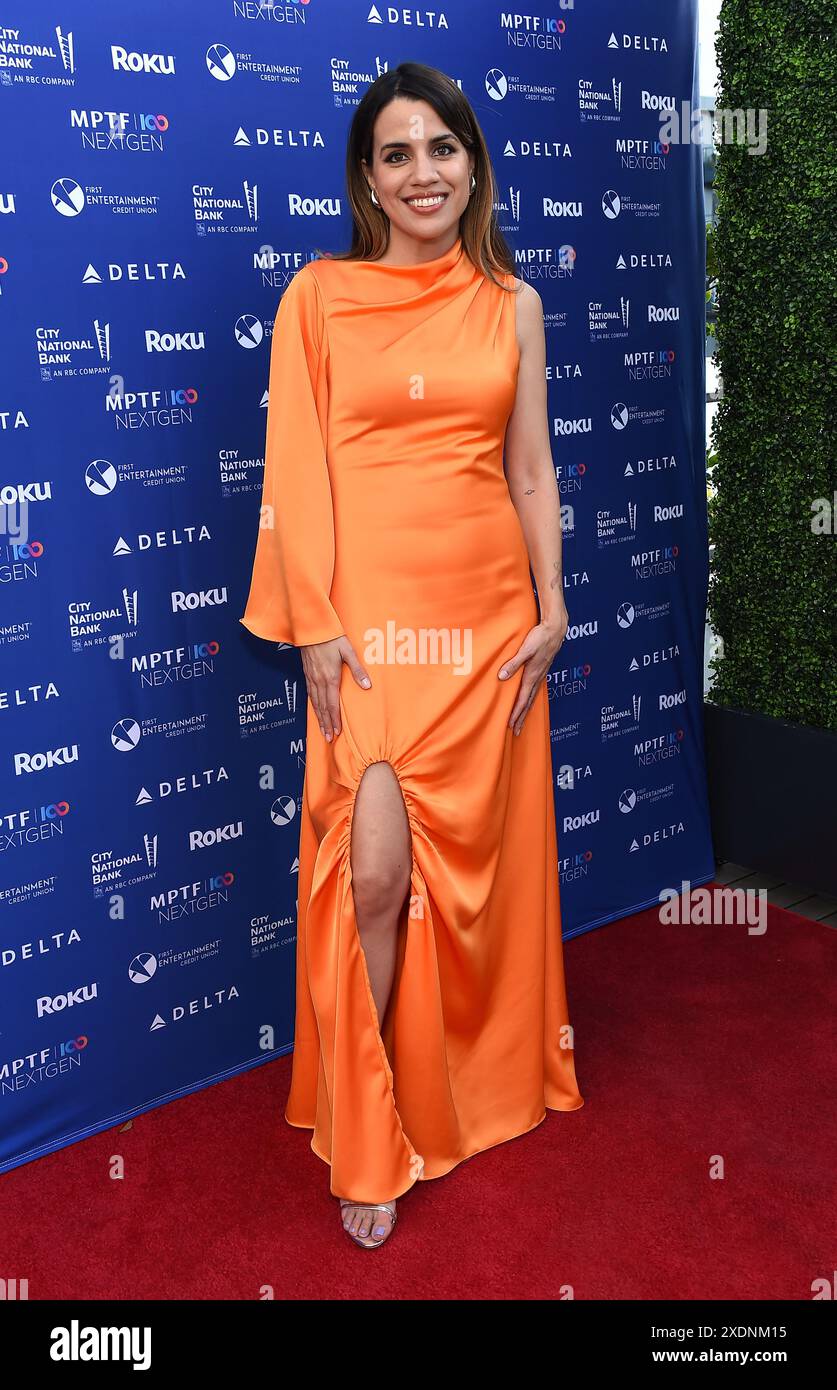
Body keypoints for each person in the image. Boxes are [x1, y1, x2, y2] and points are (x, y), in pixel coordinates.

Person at [240, 61, 584, 1250]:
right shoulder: (320, 297)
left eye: (442, 148)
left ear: (473, 167)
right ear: (369, 180)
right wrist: (317, 623)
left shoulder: (513, 305)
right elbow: (296, 472)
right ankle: (369, 1126)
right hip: (373, 630)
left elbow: (529, 467)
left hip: (490, 623)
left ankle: (465, 1081)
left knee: (474, 876)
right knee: (375, 875)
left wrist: (553, 603)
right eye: (397, 154)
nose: (422, 172)